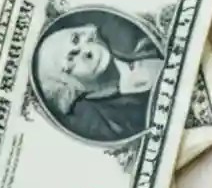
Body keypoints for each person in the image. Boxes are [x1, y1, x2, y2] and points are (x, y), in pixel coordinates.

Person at [34, 14, 163, 143]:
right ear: (70, 89)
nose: (85, 52)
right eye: (71, 61)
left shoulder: (138, 38)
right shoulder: (112, 126)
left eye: (76, 39)